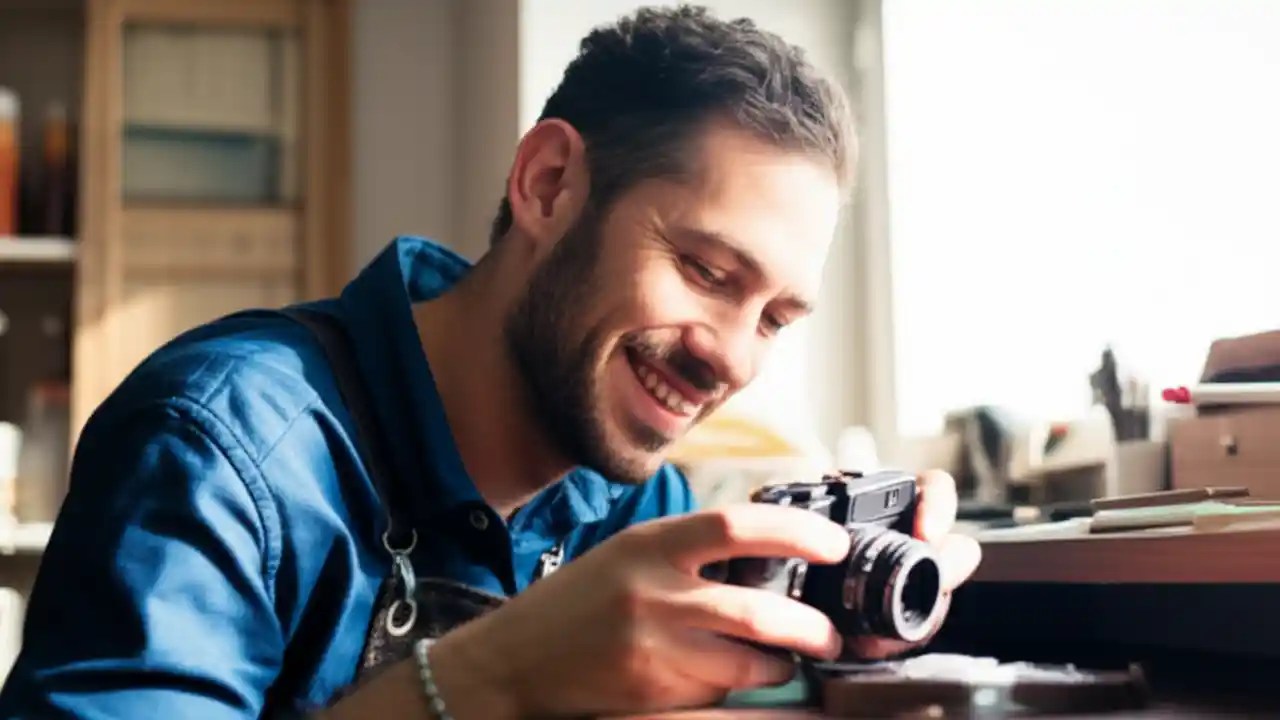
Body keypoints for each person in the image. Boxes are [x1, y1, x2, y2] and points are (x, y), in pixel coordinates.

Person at [0, 6, 980, 719]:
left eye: (774, 317)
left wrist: (851, 644)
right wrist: (490, 679)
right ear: (547, 185)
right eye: (702, 270)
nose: (727, 355)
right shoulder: (221, 447)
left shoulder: (636, 507)